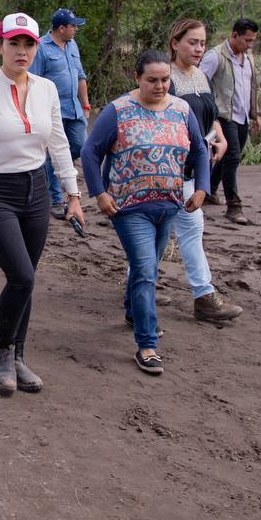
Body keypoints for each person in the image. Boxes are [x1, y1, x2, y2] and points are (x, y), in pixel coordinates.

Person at [0, 13, 85, 395]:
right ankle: (3, 351)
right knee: (22, 276)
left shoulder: (46, 90)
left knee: (27, 279)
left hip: (36, 192)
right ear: (0, 46)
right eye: (14, 43)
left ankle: (19, 357)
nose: (22, 51)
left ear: (36, 47)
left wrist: (73, 195)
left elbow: (58, 143)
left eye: (28, 44)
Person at [82, 50, 208, 375]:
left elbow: (200, 150)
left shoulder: (181, 110)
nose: (160, 85)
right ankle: (147, 343)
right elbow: (90, 151)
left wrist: (202, 188)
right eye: (152, 80)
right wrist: (99, 193)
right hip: (128, 207)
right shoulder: (119, 111)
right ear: (137, 77)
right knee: (145, 269)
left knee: (146, 268)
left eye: (165, 79)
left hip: (168, 205)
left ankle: (132, 311)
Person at [167, 19, 244, 325]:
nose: (199, 48)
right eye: (192, 42)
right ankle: (204, 296)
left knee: (175, 233)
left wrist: (220, 135)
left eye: (202, 43)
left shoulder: (200, 76)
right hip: (168, 169)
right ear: (175, 43)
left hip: (192, 170)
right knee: (182, 230)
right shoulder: (166, 78)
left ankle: (139, 285)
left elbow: (208, 115)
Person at [30, 8, 91, 219]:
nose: (76, 29)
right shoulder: (41, 48)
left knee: (81, 146)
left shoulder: (73, 45)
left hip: (74, 109)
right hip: (50, 111)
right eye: (73, 26)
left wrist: (86, 104)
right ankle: (55, 199)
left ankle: (55, 170)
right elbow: (32, 81)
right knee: (53, 152)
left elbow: (80, 75)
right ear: (61, 28)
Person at [200, 18, 261, 225]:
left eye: (253, 41)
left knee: (229, 156)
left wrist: (255, 113)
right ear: (234, 35)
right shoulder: (215, 56)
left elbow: (251, 86)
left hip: (242, 115)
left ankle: (209, 189)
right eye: (247, 40)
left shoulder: (248, 57)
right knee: (233, 156)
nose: (250, 45)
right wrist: (209, 112)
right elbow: (199, 83)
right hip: (223, 116)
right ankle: (234, 206)